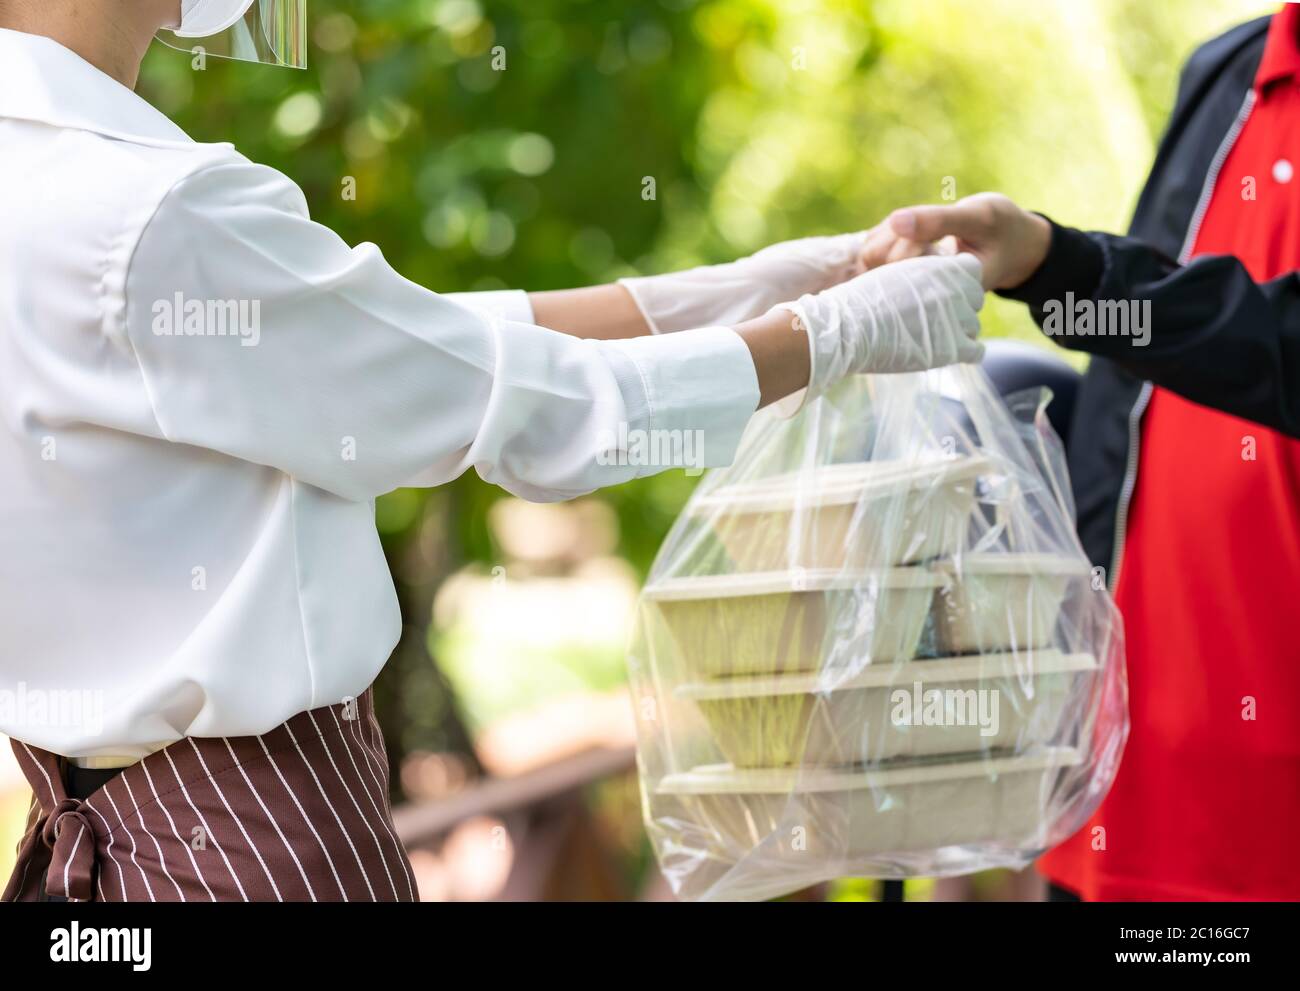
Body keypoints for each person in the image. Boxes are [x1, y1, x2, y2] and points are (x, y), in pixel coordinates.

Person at [0, 1, 986, 900]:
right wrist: (830, 335)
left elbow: (407, 349)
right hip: (247, 839)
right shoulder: (144, 210)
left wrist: (738, 293)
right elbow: (522, 408)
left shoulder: (51, 183)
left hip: (92, 836)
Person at [863, 4, 1300, 901]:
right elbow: (1135, 383)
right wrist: (1046, 266)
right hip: (1133, 794)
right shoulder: (1236, 68)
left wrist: (1058, 265)